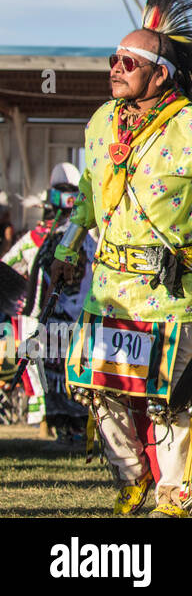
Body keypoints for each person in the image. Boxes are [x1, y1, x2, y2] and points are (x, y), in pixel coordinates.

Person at [49, 0, 192, 517]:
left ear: (160, 74)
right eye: (114, 60)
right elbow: (89, 199)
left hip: (173, 285)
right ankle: (135, 478)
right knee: (101, 389)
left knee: (171, 398)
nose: (115, 69)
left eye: (129, 62)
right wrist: (70, 251)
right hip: (111, 285)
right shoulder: (101, 124)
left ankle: (175, 493)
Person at [2, 166, 94, 441]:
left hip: (74, 317)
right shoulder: (37, 240)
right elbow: (8, 267)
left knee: (70, 371)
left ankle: (73, 428)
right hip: (46, 316)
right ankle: (53, 425)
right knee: (46, 372)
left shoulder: (86, 239)